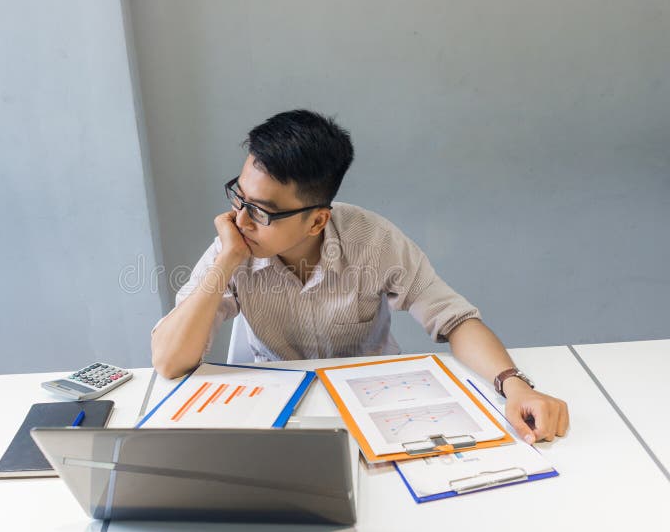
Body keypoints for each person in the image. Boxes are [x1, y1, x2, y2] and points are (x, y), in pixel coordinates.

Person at [151, 109, 569, 444]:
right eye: (238, 195)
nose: (240, 218)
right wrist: (225, 262)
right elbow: (170, 362)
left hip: (373, 401)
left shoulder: (372, 239)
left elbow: (454, 318)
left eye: (261, 210)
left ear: (317, 221)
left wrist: (515, 385)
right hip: (276, 408)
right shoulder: (235, 240)